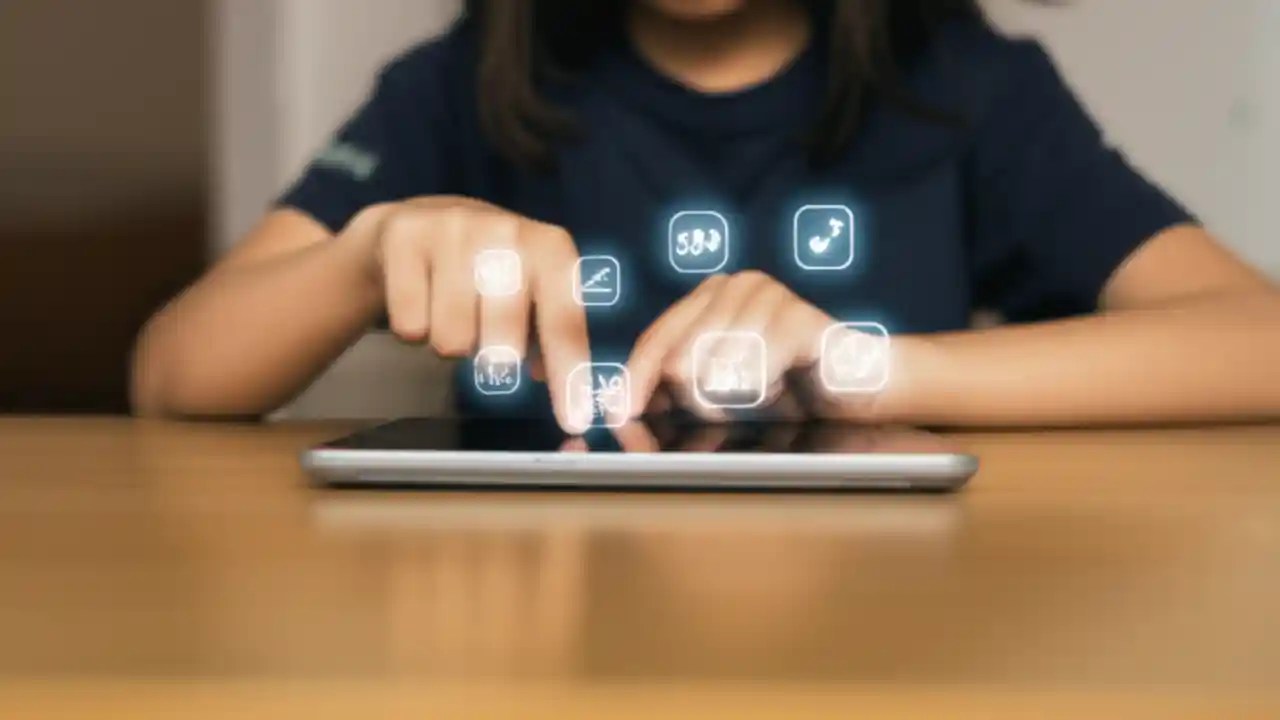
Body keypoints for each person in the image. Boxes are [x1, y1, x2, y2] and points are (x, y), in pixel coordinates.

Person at [132, 0, 1280, 430]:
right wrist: (362, 259)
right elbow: (173, 373)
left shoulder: (963, 83)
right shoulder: (471, 76)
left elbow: (1257, 343)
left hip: (892, 632)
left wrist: (872, 369)